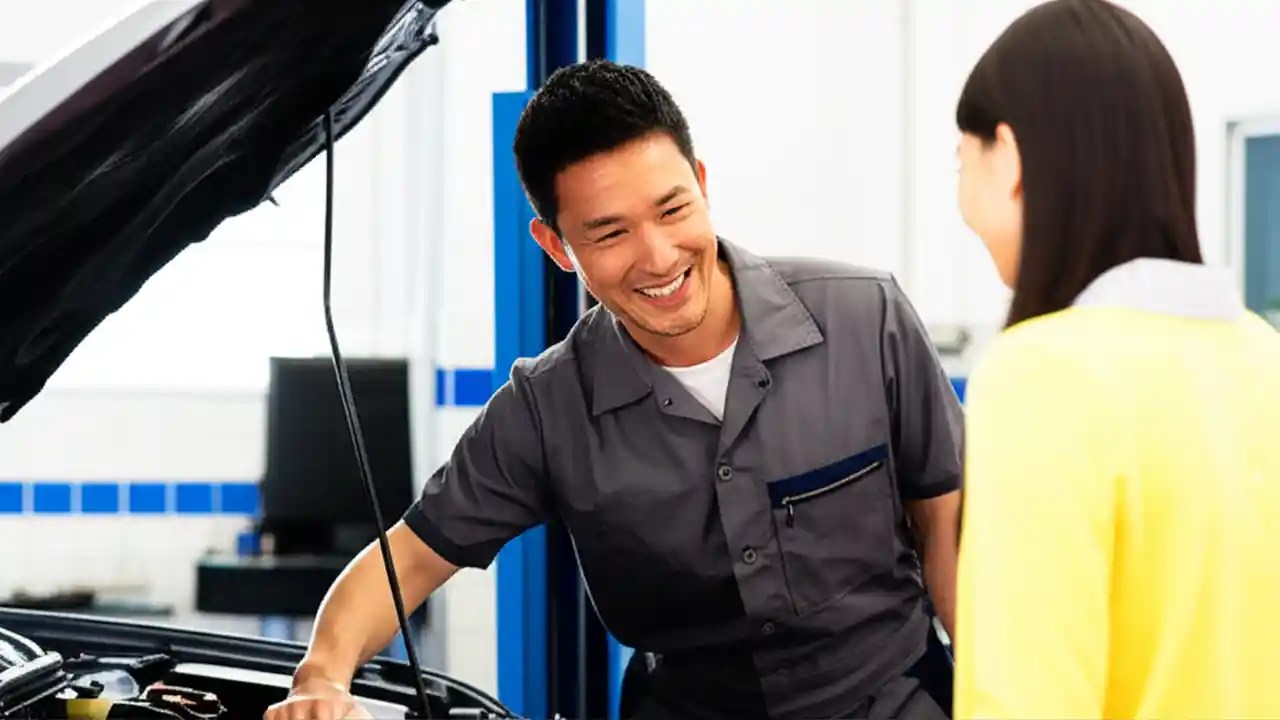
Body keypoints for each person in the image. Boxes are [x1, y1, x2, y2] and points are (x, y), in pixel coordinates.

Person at [266, 59, 962, 720]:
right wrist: (321, 678)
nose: (658, 257)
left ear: (703, 182)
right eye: (610, 233)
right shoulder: (546, 410)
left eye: (672, 209)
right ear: (556, 246)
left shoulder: (865, 318)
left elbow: (948, 529)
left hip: (895, 701)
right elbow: (407, 559)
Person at [951, 0, 1280, 718]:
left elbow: (1025, 701)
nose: (959, 196)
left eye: (960, 157)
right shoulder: (1267, 362)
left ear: (1007, 156)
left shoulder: (1041, 376)